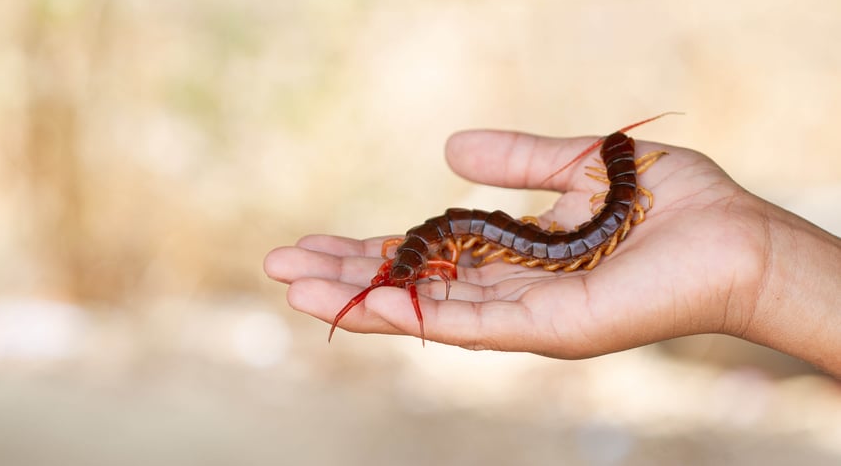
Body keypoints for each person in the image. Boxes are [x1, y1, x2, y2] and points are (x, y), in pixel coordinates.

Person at [263, 126, 841, 378]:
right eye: (402, 265)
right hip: (471, 236)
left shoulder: (623, 202)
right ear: (631, 166)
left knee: (553, 243)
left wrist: (762, 268)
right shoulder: (438, 245)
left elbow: (581, 241)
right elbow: (471, 232)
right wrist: (765, 267)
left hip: (558, 243)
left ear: (620, 173)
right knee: (497, 234)